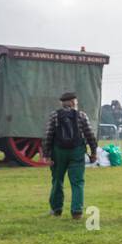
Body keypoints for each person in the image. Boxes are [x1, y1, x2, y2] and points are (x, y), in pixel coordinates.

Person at [43, 91, 98, 220]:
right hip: (77, 151)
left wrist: (47, 155)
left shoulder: (54, 116)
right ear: (73, 102)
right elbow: (90, 134)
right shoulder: (82, 115)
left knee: (57, 180)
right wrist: (94, 151)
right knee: (77, 182)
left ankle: (56, 209)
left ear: (62, 103)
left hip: (58, 152)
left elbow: (48, 135)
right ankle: (77, 211)